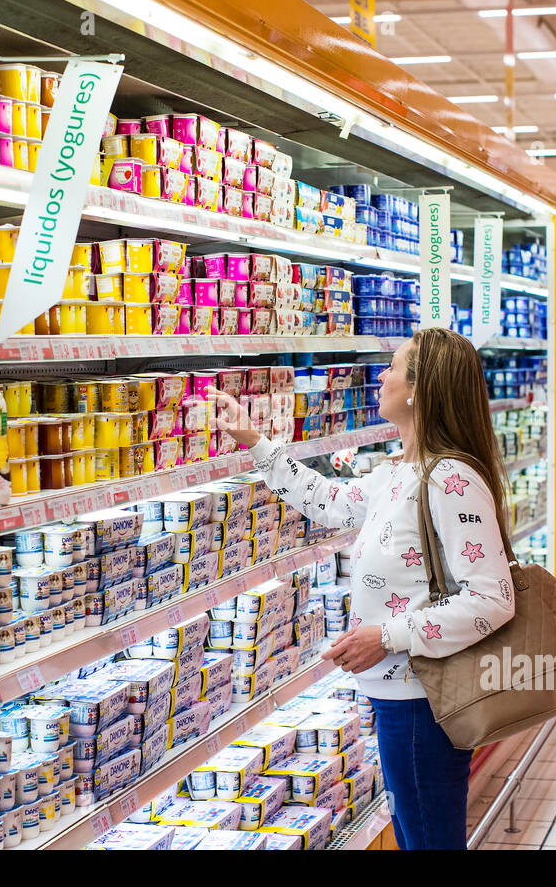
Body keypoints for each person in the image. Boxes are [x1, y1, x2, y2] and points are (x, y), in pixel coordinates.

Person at [207, 327, 515, 850]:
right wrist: (256, 444)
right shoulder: (400, 473)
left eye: (393, 367)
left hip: (427, 702)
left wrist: (387, 637)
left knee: (429, 841)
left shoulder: (449, 479)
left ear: (420, 390)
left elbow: (492, 599)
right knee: (421, 833)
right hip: (400, 695)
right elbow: (329, 501)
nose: (381, 377)